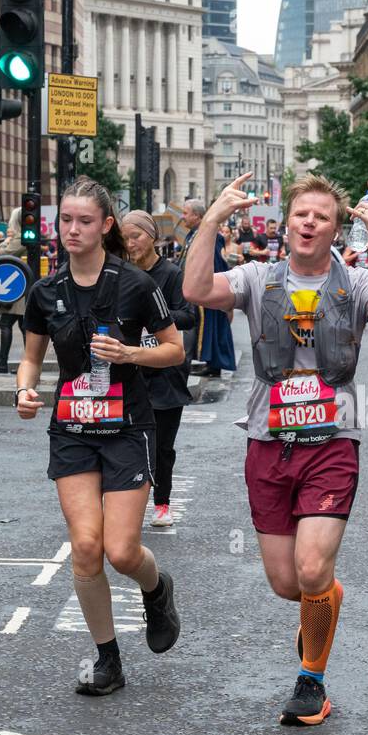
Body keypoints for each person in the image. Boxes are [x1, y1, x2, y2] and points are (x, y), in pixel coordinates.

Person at [182, 172, 368, 726]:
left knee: (310, 567)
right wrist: (212, 219)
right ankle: (322, 602)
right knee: (289, 582)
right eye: (301, 214)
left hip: (333, 440)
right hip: (269, 438)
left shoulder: (355, 283)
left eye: (322, 217)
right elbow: (194, 291)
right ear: (287, 223)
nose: (310, 223)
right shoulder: (258, 277)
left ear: (336, 230)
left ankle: (311, 681)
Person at [16, 177, 185, 696]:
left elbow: (175, 350)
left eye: (84, 221)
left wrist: (132, 354)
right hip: (72, 428)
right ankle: (107, 658)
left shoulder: (135, 285)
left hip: (127, 427)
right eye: (65, 220)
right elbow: (30, 359)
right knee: (86, 548)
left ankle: (157, 590)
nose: (72, 229)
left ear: (105, 226)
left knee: (122, 551)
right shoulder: (46, 292)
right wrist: (23, 392)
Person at [123, 209, 198, 528]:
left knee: (162, 445)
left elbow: (189, 315)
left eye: (136, 236)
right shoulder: (121, 274)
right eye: (124, 238)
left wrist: (157, 319)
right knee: (127, 441)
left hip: (167, 371)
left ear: (152, 236)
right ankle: (128, 502)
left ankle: (162, 503)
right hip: (131, 370)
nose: (130, 244)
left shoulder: (171, 274)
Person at [181, 199, 237, 377]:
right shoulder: (193, 234)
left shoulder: (209, 236)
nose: (183, 217)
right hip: (195, 288)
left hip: (209, 289)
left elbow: (216, 265)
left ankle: (214, 364)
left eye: (186, 213)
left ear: (197, 216)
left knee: (213, 326)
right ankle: (207, 361)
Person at [0, 208, 29, 374]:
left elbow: (3, 253)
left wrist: (5, 241)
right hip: (22, 285)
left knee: (5, 323)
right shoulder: (25, 237)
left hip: (17, 288)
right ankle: (26, 363)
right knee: (23, 325)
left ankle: (3, 362)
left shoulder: (20, 238)